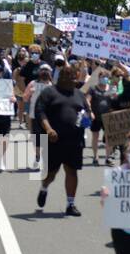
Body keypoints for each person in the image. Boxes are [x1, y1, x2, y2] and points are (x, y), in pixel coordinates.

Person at [37, 65, 91, 215]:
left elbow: (87, 112)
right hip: (55, 140)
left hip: (74, 141)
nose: (72, 80)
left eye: (74, 77)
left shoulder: (79, 95)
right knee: (51, 173)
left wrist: (88, 118)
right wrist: (48, 129)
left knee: (72, 171)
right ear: (61, 77)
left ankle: (70, 204)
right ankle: (44, 187)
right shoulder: (49, 92)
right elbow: (40, 112)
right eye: (69, 77)